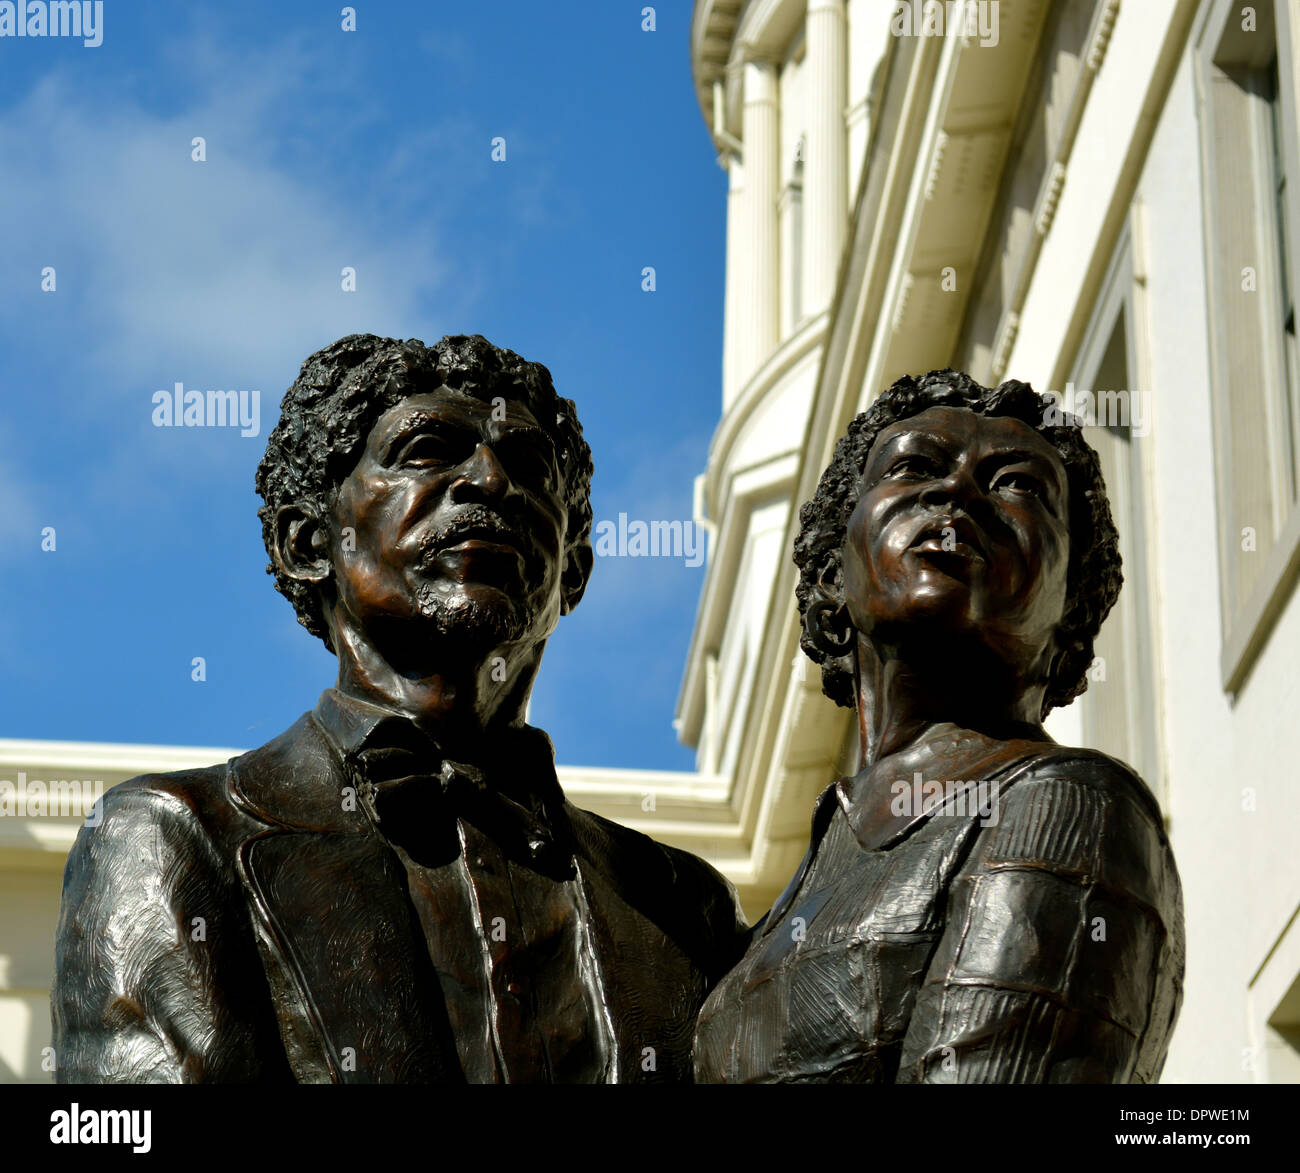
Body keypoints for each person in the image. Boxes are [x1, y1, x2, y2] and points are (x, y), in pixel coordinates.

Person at [53, 333, 747, 1083]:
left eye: (527, 466)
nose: (490, 481)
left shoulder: (686, 905)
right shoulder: (175, 835)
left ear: (571, 571)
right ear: (307, 542)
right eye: (425, 450)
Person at [693, 369, 1184, 1083]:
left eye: (1017, 485)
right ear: (833, 565)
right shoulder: (808, 868)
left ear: (1073, 608)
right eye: (914, 467)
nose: (957, 494)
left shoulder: (1067, 805)